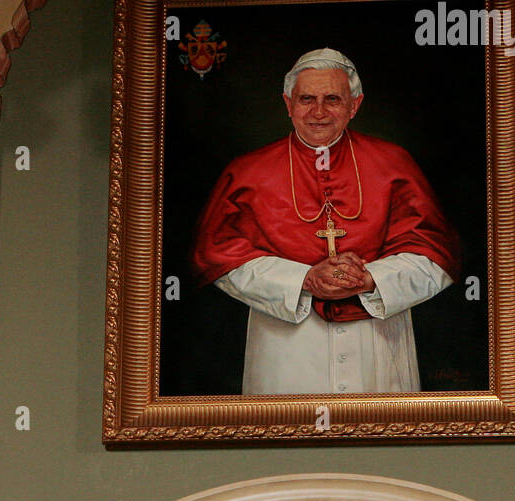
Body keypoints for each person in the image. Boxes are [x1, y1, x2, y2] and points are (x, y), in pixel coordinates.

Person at [190, 48, 461, 396]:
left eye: (332, 99)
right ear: (288, 104)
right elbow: (219, 258)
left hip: (376, 340)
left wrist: (370, 279)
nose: (318, 112)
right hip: (285, 344)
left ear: (355, 105)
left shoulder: (393, 164)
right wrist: (304, 279)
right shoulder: (247, 172)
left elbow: (436, 254)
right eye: (306, 99)